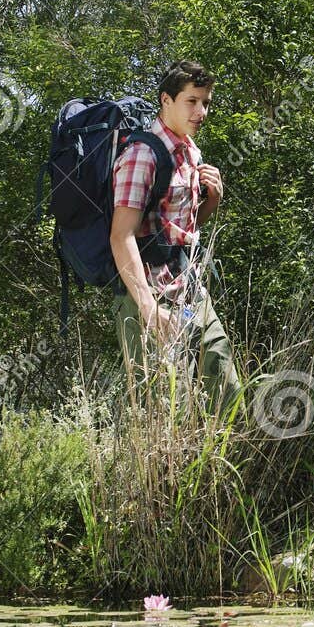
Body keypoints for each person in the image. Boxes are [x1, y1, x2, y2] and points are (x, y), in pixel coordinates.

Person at [110, 60, 242, 416]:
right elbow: (120, 237)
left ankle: (220, 469)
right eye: (192, 101)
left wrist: (212, 199)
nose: (201, 112)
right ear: (166, 100)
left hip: (191, 292)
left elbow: (181, 232)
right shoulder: (142, 156)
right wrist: (149, 308)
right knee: (164, 411)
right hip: (150, 299)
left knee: (227, 392)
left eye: (206, 103)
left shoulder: (190, 152)